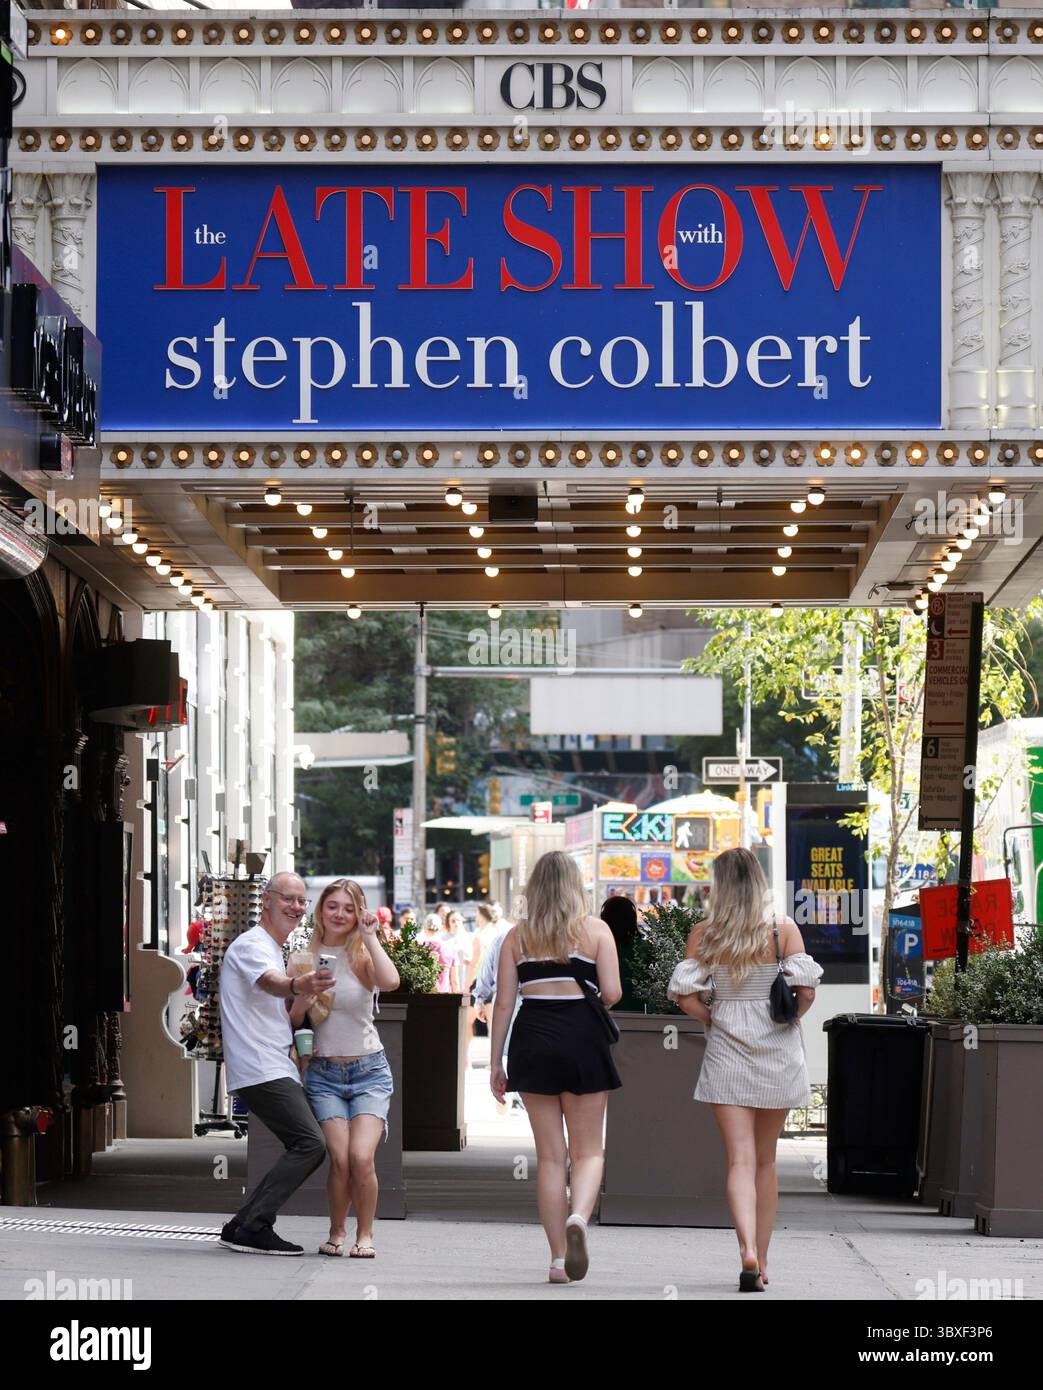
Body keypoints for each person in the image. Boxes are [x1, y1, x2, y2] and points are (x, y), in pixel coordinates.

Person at [667, 847, 822, 1294]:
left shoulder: (705, 933)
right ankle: (765, 1258)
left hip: (727, 1054)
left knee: (739, 1159)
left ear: (720, 886)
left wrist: (714, 1019)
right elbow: (805, 991)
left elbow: (685, 995)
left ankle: (746, 1251)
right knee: (766, 1160)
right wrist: (788, 1019)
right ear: (758, 882)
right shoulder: (782, 930)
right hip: (778, 1052)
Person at [490, 851, 622, 1285]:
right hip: (583, 1039)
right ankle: (579, 1218)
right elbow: (613, 992)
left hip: (533, 1039)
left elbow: (504, 1003)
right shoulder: (596, 930)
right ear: (575, 886)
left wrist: (496, 1062)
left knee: (549, 1157)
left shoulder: (517, 936)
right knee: (589, 1151)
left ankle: (557, 1260)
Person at [218, 871, 333, 1256]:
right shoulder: (253, 945)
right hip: (259, 1066)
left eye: (302, 901)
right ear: (266, 900)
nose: (297, 907)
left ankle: (242, 1225)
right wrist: (297, 985)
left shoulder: (272, 947)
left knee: (304, 1143)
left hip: (270, 1063)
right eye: (288, 898)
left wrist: (304, 998)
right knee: (310, 1143)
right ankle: (253, 1225)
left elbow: (280, 1009)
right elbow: (271, 983)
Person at [290, 878, 400, 1259]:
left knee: (361, 1157)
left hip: (369, 1071)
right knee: (338, 1157)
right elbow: (293, 1017)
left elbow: (391, 981)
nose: (340, 914)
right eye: (333, 906)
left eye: (349, 908)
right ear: (321, 910)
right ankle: (337, 1232)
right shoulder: (303, 958)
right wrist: (304, 996)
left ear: (359, 914)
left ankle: (365, 1235)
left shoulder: (361, 955)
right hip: (323, 1074)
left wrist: (371, 936)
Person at [600, 895, 643, 1012]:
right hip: (643, 1015)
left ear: (604, 920)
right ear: (632, 919)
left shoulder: (600, 948)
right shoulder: (644, 947)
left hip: (606, 1013)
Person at [419, 912, 455, 993]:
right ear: (441, 928)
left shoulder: (419, 947)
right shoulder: (449, 947)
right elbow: (454, 979)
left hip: (424, 995)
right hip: (445, 994)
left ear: (424, 928)